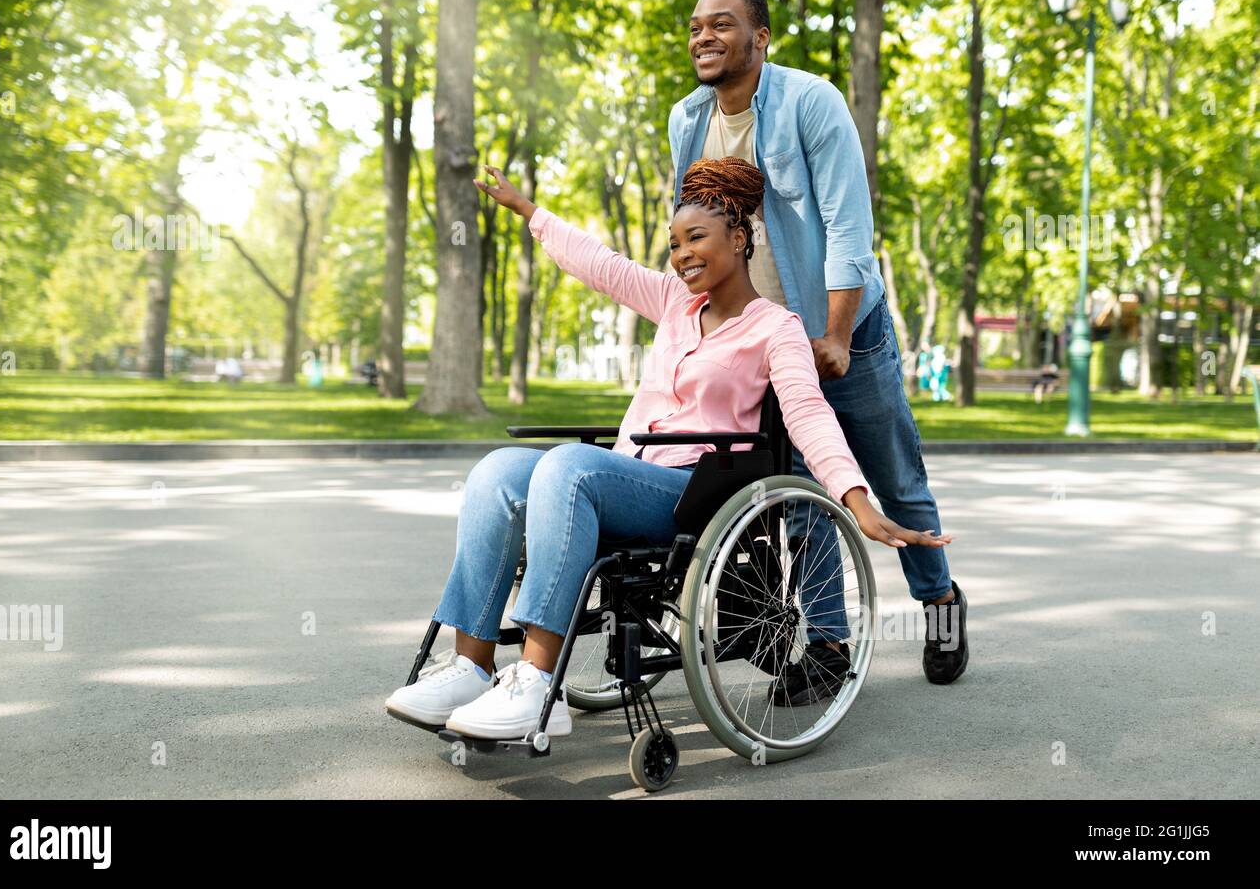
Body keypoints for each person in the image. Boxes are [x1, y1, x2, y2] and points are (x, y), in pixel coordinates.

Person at [383, 157, 952, 741]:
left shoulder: (774, 328)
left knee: (569, 467)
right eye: (674, 243)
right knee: (498, 471)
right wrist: (529, 211)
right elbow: (602, 266)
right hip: (631, 472)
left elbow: (808, 415)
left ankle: (535, 682)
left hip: (694, 492)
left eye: (695, 238)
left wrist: (857, 501)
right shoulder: (675, 305)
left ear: (740, 237)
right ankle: (472, 667)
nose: (681, 255)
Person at [670, 0, 968, 694]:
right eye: (695, 28)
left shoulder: (810, 103)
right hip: (763, 342)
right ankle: (830, 646)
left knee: (892, 481)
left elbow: (847, 230)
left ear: (760, 39)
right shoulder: (686, 119)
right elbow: (695, 236)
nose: (703, 37)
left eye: (721, 25)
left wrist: (834, 334)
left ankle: (940, 603)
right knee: (798, 496)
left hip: (847, 332)